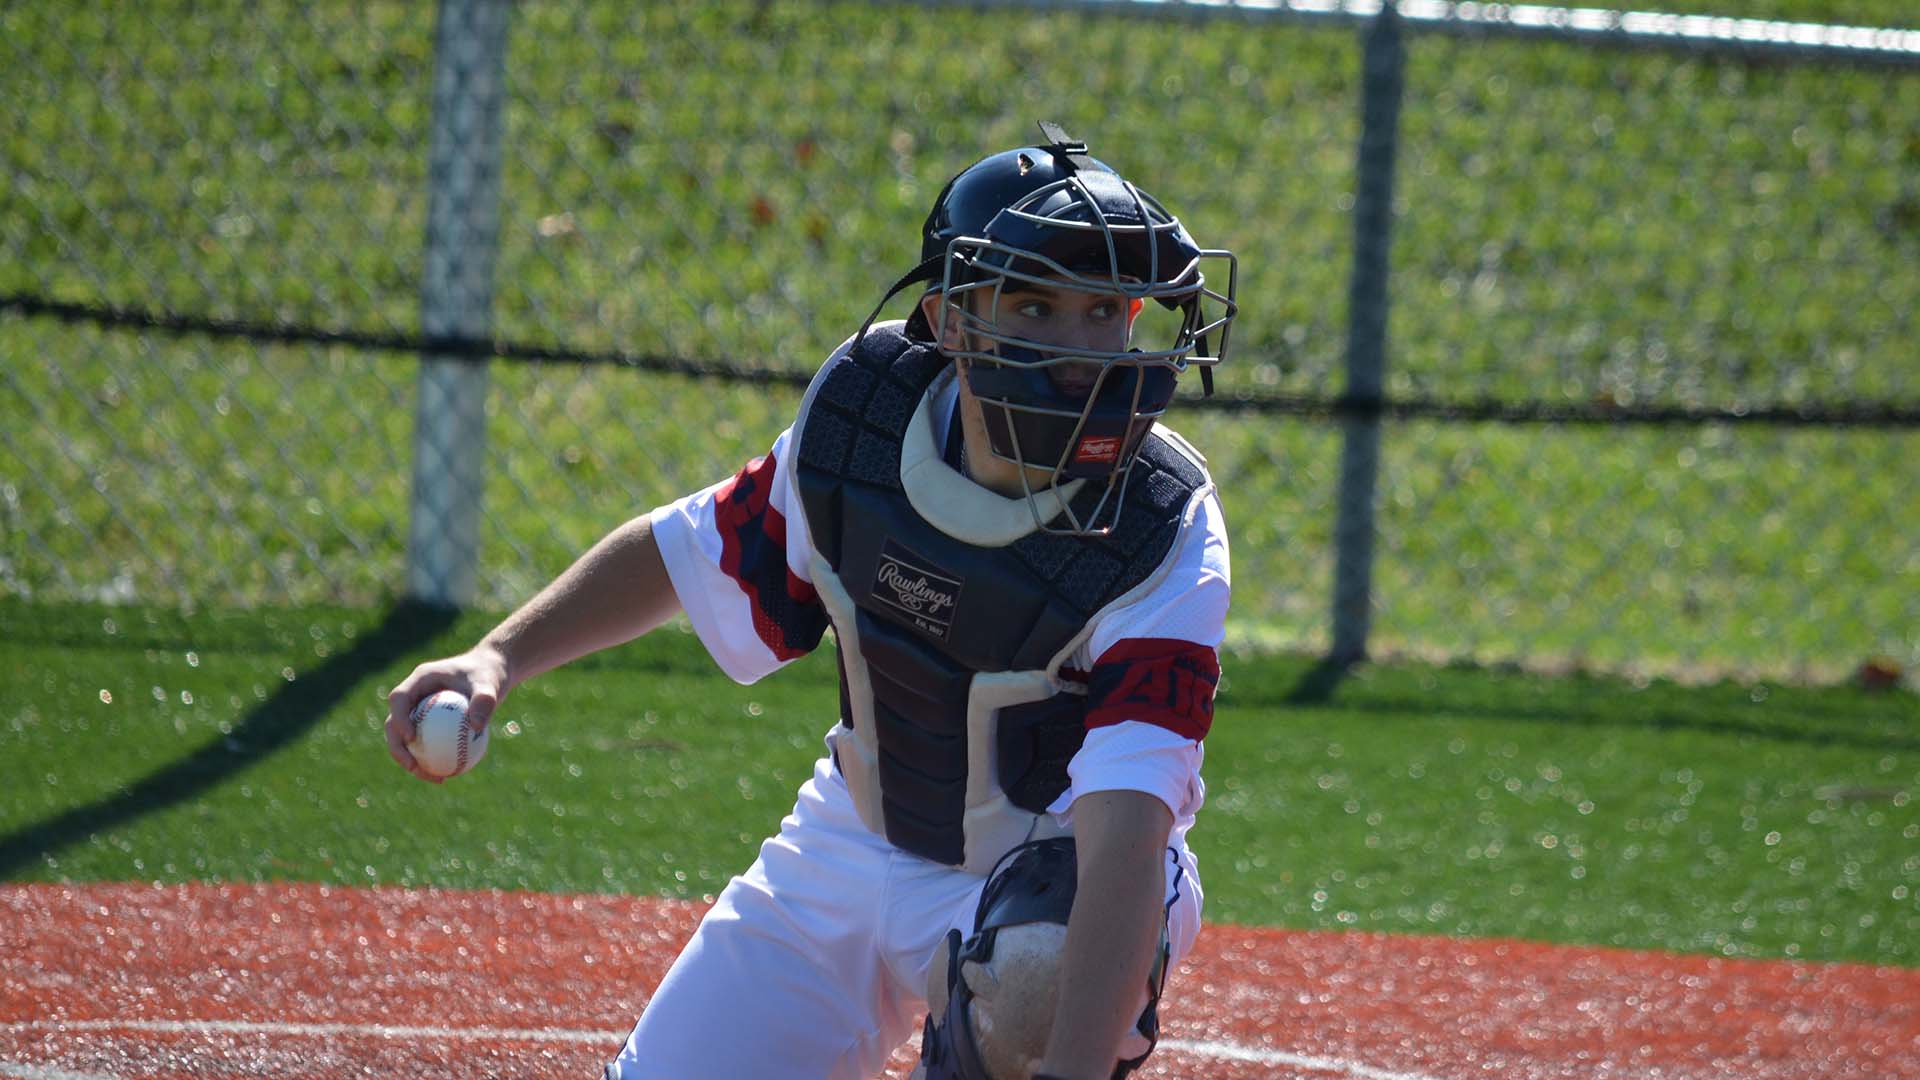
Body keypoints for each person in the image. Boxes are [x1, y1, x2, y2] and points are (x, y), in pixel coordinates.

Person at [385, 122, 1237, 1080]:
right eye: (1035, 304)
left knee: (1035, 977)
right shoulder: (865, 425)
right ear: (953, 318)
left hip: (1047, 877)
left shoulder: (1163, 527)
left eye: (1107, 311)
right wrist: (495, 656)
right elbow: (690, 548)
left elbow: (1125, 841)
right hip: (849, 838)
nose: (1082, 350)